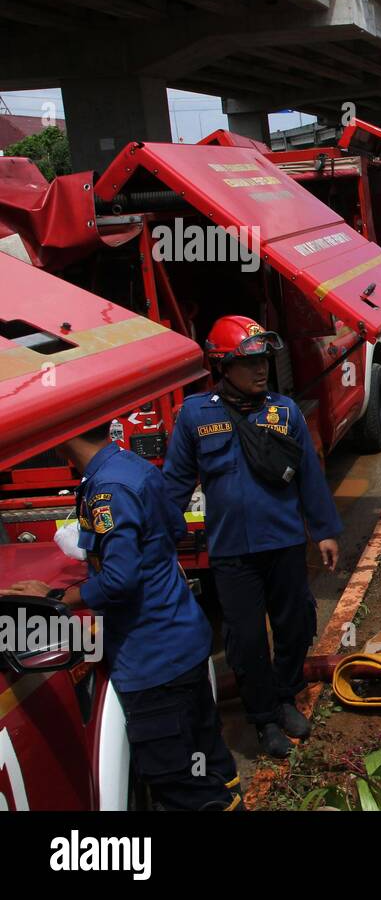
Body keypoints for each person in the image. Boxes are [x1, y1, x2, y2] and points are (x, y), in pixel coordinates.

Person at [4, 422, 243, 810]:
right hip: (183, 643)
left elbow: (120, 580)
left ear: (63, 436)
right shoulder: (130, 466)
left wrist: (56, 595)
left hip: (153, 663)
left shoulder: (107, 489)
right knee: (207, 760)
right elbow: (172, 527)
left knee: (179, 784)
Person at [163, 316, 343, 758]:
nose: (262, 369)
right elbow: (174, 485)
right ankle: (263, 719)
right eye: (249, 362)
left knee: (296, 624)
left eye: (264, 360)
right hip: (231, 553)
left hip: (283, 544)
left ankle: (285, 697)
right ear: (223, 365)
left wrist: (323, 530)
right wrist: (159, 538)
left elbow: (308, 476)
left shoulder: (285, 412)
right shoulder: (195, 415)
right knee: (244, 640)